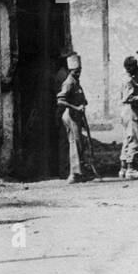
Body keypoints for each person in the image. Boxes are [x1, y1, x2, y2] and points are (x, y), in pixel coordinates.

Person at [57, 53, 95, 183]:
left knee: (79, 143)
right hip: (70, 115)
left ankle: (79, 172)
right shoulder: (68, 82)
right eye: (75, 71)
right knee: (74, 143)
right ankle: (73, 174)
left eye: (79, 71)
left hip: (77, 115)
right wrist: (76, 107)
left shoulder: (76, 82)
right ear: (70, 70)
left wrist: (83, 103)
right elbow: (60, 100)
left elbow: (80, 98)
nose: (78, 73)